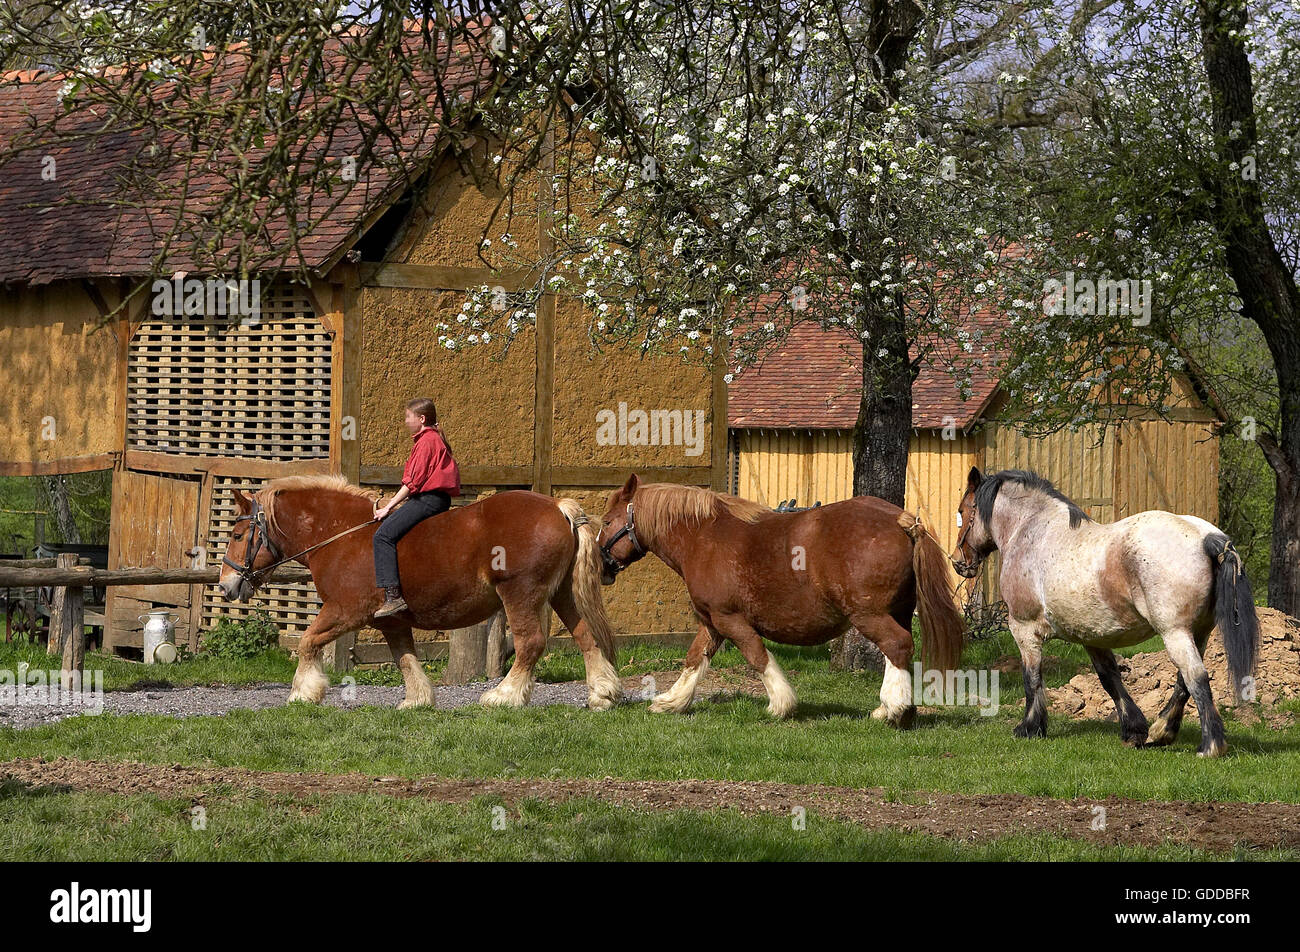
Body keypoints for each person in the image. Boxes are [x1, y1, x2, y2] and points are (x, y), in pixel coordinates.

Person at [372, 397, 461, 618]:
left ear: (421, 419)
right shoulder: (430, 439)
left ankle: (393, 597)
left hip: (429, 499)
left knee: (382, 536)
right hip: (432, 498)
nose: (405, 421)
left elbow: (412, 483)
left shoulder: (427, 441)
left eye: (408, 417)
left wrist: (387, 507)